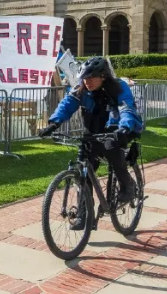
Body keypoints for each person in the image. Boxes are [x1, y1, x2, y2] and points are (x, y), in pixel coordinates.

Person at [39, 56, 143, 229]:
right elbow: (67, 103)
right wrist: (54, 123)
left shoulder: (118, 87)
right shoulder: (81, 89)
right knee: (83, 172)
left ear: (103, 76)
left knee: (112, 148)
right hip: (93, 131)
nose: (87, 82)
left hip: (117, 127)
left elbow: (127, 108)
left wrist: (124, 128)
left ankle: (128, 185)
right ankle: (83, 215)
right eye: (84, 78)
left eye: (91, 77)